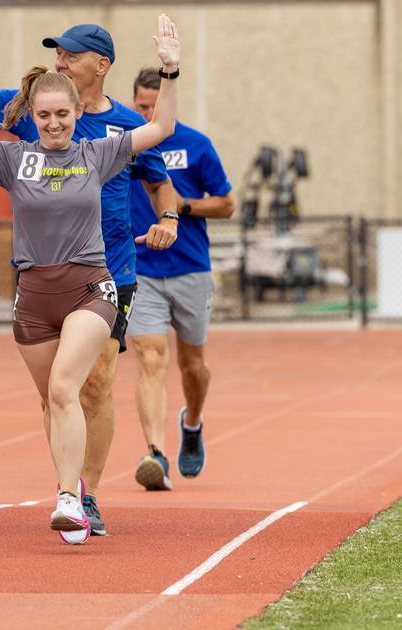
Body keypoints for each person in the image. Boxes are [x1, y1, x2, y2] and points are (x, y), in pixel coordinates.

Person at [0, 0, 181, 536]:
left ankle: (81, 495)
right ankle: (69, 485)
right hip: (38, 280)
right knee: (55, 395)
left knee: (91, 384)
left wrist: (170, 216)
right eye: (57, 54)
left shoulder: (110, 138)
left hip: (107, 270)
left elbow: (161, 152)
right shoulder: (22, 124)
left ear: (101, 64)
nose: (61, 61)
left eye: (71, 53)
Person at [127, 67, 235, 490]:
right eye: (140, 106)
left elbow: (227, 204)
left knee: (193, 366)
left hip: (190, 266)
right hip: (141, 267)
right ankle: (155, 453)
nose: (146, 113)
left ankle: (191, 424)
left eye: (153, 107)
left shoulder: (196, 145)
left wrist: (180, 207)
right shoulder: (124, 143)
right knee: (151, 357)